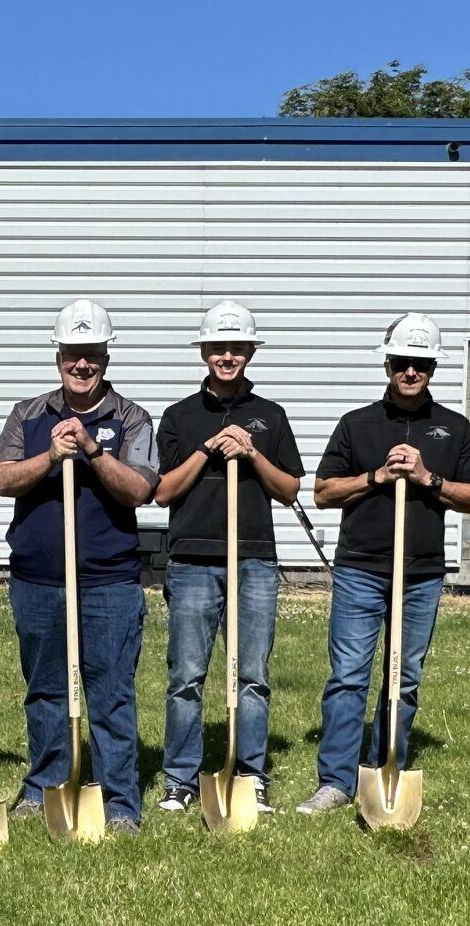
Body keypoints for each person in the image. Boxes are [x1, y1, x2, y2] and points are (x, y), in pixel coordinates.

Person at [297, 313, 470, 814]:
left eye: (421, 363)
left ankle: (389, 769)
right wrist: (378, 475)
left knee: (403, 676)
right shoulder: (357, 424)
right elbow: (322, 493)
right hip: (361, 568)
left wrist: (428, 478)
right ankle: (336, 780)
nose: (410, 371)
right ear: (387, 363)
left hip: (420, 574)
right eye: (402, 361)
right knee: (348, 675)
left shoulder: (453, 427)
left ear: (432, 367)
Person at [0, 300, 158, 834]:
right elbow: (4, 478)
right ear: (58, 357)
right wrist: (50, 458)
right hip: (39, 576)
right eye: (72, 356)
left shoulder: (130, 417)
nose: (81, 365)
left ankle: (120, 802)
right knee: (45, 689)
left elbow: (141, 489)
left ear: (106, 357)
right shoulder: (29, 414)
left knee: (111, 690)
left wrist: (89, 449)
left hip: (108, 579)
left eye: (91, 356)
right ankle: (44, 786)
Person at [151, 302, 304, 814]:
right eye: (218, 347)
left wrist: (253, 453)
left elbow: (289, 490)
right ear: (203, 351)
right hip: (193, 559)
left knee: (253, 673)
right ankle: (180, 778)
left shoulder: (272, 416)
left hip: (254, 558)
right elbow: (163, 492)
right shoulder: (178, 417)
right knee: (186, 675)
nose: (227, 356)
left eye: (237, 348)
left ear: (250, 353)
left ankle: (250, 775)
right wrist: (208, 450)